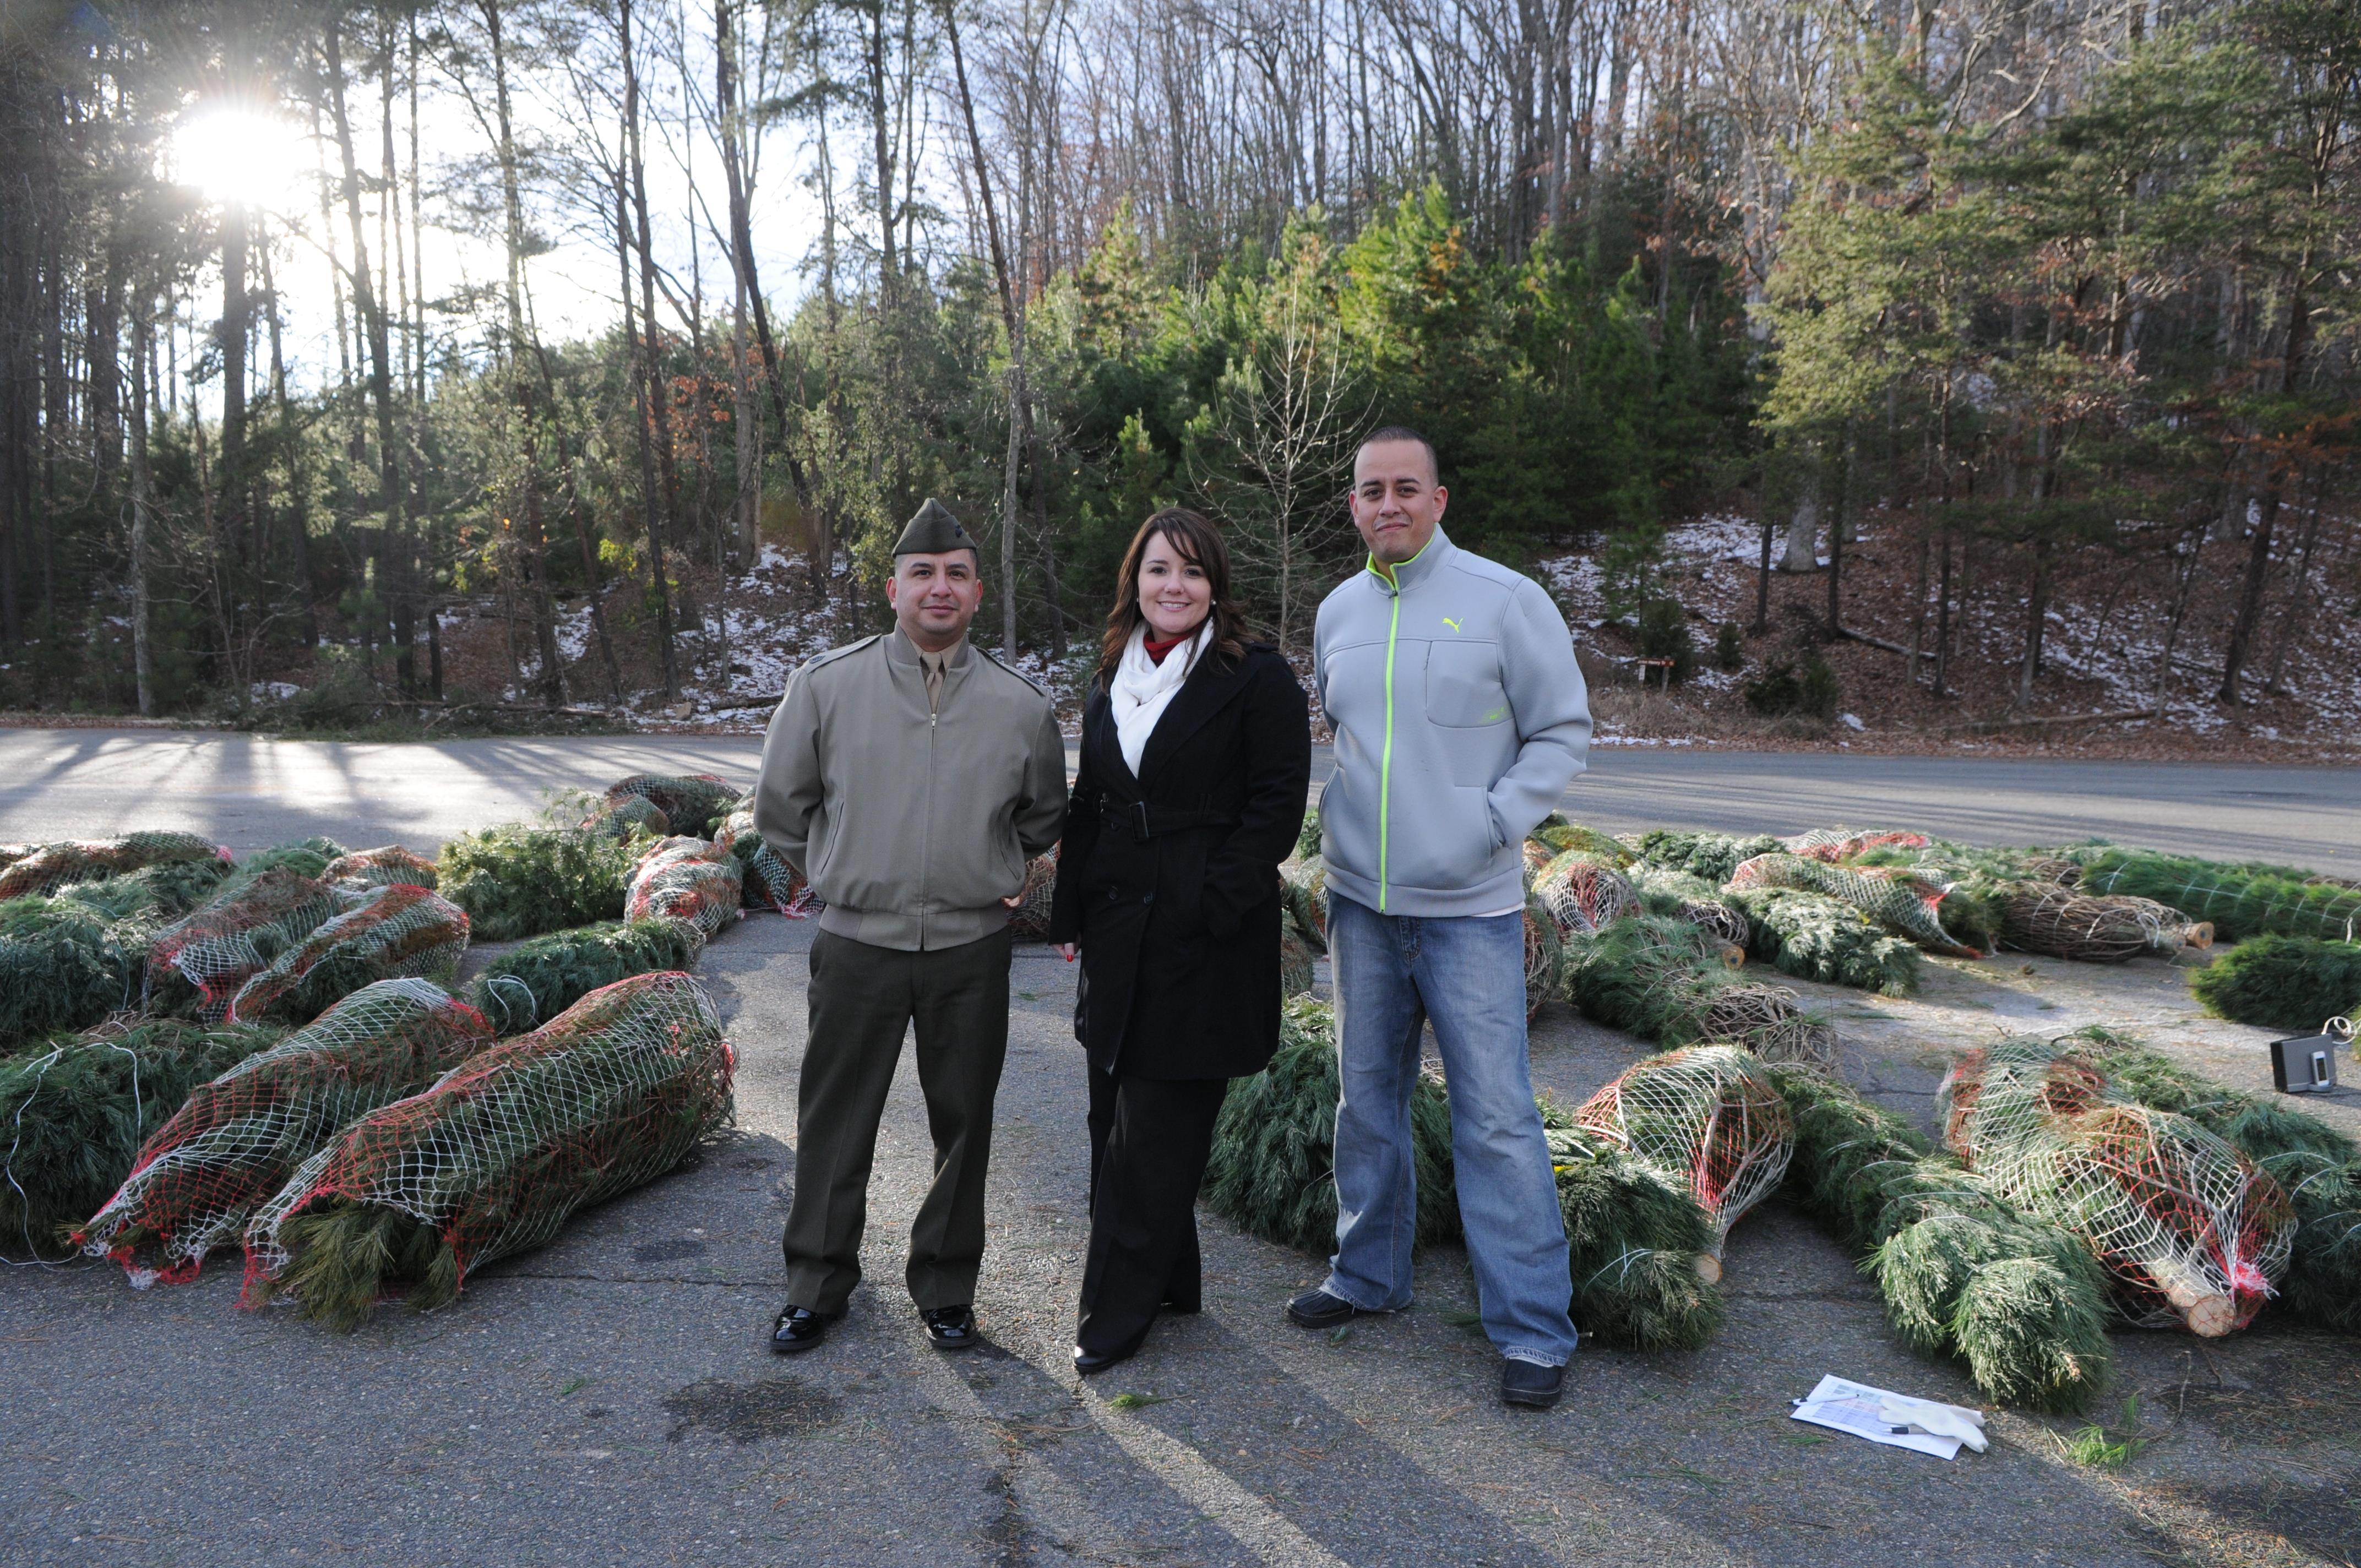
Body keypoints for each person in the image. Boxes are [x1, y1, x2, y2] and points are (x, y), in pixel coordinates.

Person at [1290, 427, 1591, 1410]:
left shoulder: (1506, 602)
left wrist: (1492, 823)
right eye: (1372, 491)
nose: (1390, 505)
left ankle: (1536, 1329)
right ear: (1354, 507)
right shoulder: (1338, 611)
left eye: (1406, 489)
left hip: (1469, 910)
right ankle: (1367, 1275)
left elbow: (1561, 730)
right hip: (1363, 907)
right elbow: (1348, 743)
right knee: (1366, 1100)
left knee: (1496, 1118)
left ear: (1440, 499)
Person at [753, 498, 1066, 1355]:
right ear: (892, 587)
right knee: (835, 1120)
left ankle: (947, 1289)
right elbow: (781, 808)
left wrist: (988, 874)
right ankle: (815, 1286)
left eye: (957, 575)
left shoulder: (1019, 706)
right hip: (858, 944)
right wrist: (837, 870)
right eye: (923, 573)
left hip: (971, 947)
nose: (940, 588)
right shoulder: (827, 686)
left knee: (964, 1122)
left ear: (976, 594)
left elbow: (1042, 816)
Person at [1048, 508, 1310, 1375]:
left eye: (1193, 573)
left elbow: (1276, 807)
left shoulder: (1258, 678)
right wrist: (1072, 912)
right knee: (1110, 1115)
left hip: (1202, 932)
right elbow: (1093, 798)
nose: (1175, 586)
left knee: (1153, 1132)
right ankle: (1170, 1281)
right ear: (1137, 580)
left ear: (1215, 588)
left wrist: (1212, 900)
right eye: (1160, 569)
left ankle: (1114, 1312)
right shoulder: (1110, 675)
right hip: (1120, 927)